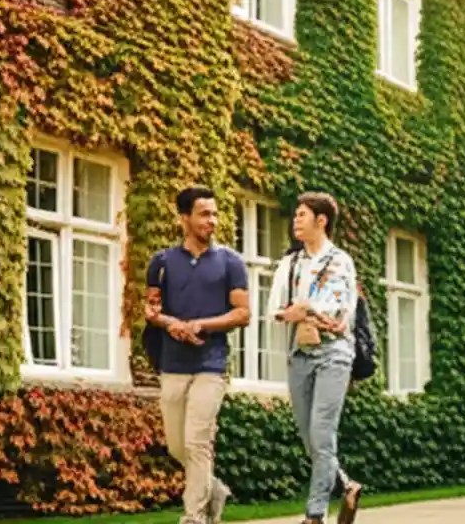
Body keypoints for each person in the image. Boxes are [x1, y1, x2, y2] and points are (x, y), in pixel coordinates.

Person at [146, 186, 250, 524]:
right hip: (172, 365)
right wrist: (171, 323)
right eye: (205, 214)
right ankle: (214, 489)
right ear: (184, 218)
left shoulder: (230, 262)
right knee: (178, 446)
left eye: (215, 214)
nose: (213, 221)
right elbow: (151, 309)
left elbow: (242, 313)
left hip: (211, 365)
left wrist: (200, 325)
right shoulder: (161, 262)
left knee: (198, 441)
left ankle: (194, 516)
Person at [268, 192, 365, 524]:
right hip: (300, 355)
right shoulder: (290, 263)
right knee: (310, 437)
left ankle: (315, 514)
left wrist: (305, 309)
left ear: (321, 221)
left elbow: (338, 311)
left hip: (334, 354)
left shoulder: (341, 262)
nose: (295, 220)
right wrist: (299, 311)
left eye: (301, 215)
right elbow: (275, 310)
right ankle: (347, 484)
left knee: (322, 434)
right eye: (295, 215)